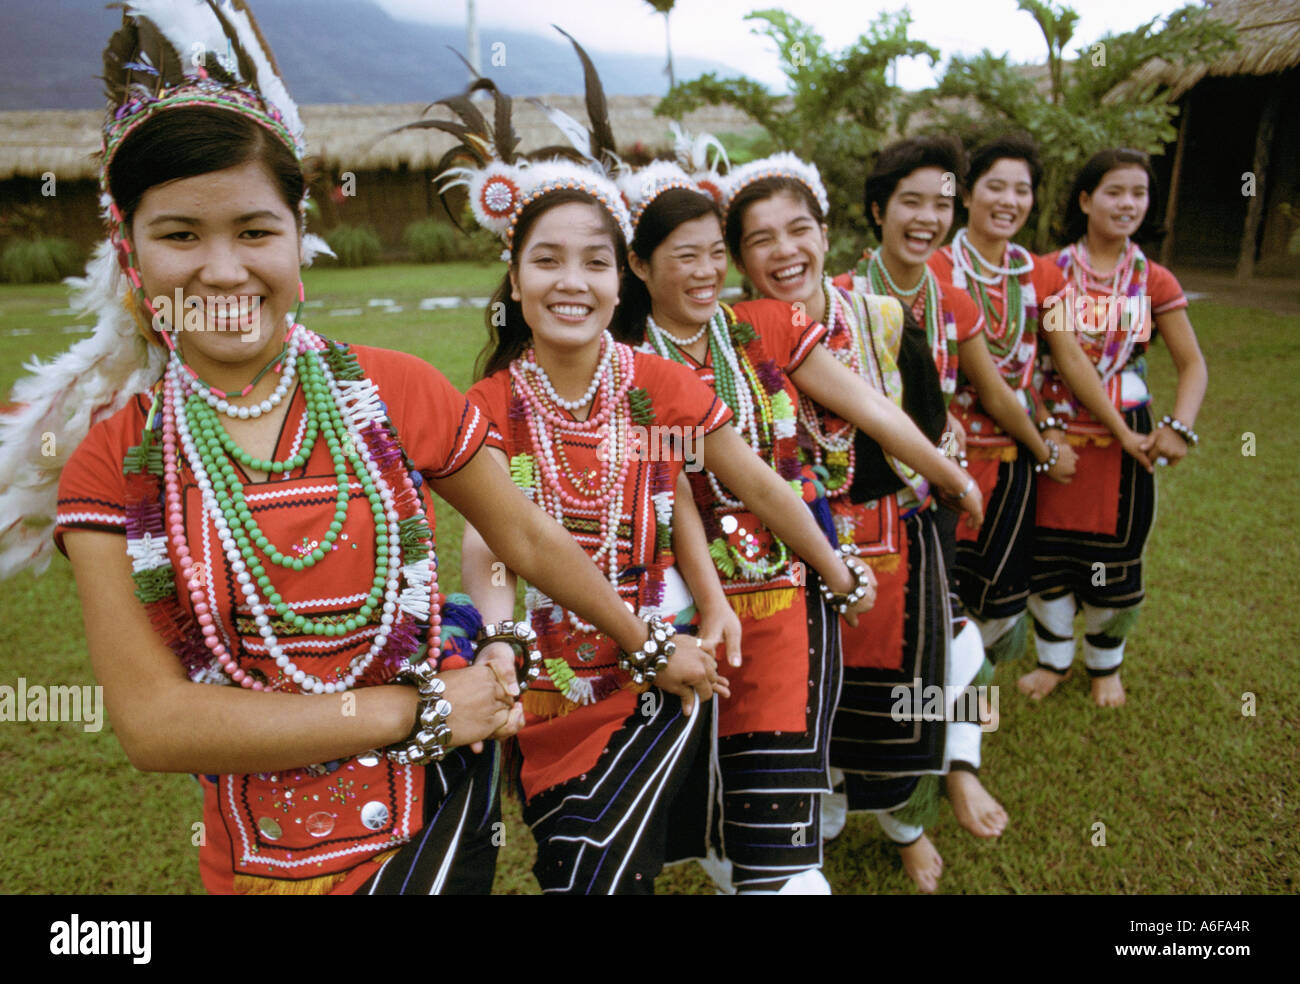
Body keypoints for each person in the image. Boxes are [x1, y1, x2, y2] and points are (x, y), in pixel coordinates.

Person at [11, 0, 687, 896]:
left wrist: (645, 643)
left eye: (255, 231)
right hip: (261, 859)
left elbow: (526, 539)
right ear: (129, 255)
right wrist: (416, 711)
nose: (222, 269)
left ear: (300, 240)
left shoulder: (395, 390)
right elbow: (154, 723)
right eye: (179, 234)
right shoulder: (115, 463)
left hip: (436, 817)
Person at [618, 156, 987, 892]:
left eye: (713, 254)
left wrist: (945, 473)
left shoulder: (765, 325)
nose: (703, 272)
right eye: (682, 255)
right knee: (704, 757)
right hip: (688, 594)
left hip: (788, 583)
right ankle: (741, 862)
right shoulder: (626, 364)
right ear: (638, 263)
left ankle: (829, 840)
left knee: (782, 751)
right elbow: (677, 495)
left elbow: (868, 407)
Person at [725, 148, 994, 892]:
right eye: (761, 238)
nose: (786, 251)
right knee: (808, 701)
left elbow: (924, 428)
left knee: (916, 691)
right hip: (780, 552)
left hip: (891, 536)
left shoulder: (880, 319)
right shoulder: (732, 345)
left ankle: (910, 822)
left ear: (826, 228)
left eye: (799, 228)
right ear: (739, 257)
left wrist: (941, 493)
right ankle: (818, 817)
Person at [1020, 148, 1206, 707]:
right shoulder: (1047, 273)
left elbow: (1192, 364)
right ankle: (1053, 661)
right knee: (1046, 559)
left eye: (1139, 194)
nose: (1128, 204)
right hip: (1053, 434)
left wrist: (1180, 427)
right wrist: (1044, 428)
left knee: (1114, 564)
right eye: (1114, 192)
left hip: (1128, 447)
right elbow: (1026, 360)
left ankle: (1106, 665)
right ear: (1085, 200)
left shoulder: (1154, 280)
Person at [928, 133, 1080, 669]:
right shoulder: (935, 268)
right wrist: (1045, 447)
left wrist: (1068, 425)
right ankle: (946, 695)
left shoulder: (1045, 276)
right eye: (995, 186)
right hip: (944, 454)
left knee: (999, 587)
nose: (1008, 201)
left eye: (1022, 189)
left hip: (1012, 464)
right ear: (968, 195)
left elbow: (1067, 357)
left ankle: (970, 687)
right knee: (940, 580)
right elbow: (990, 388)